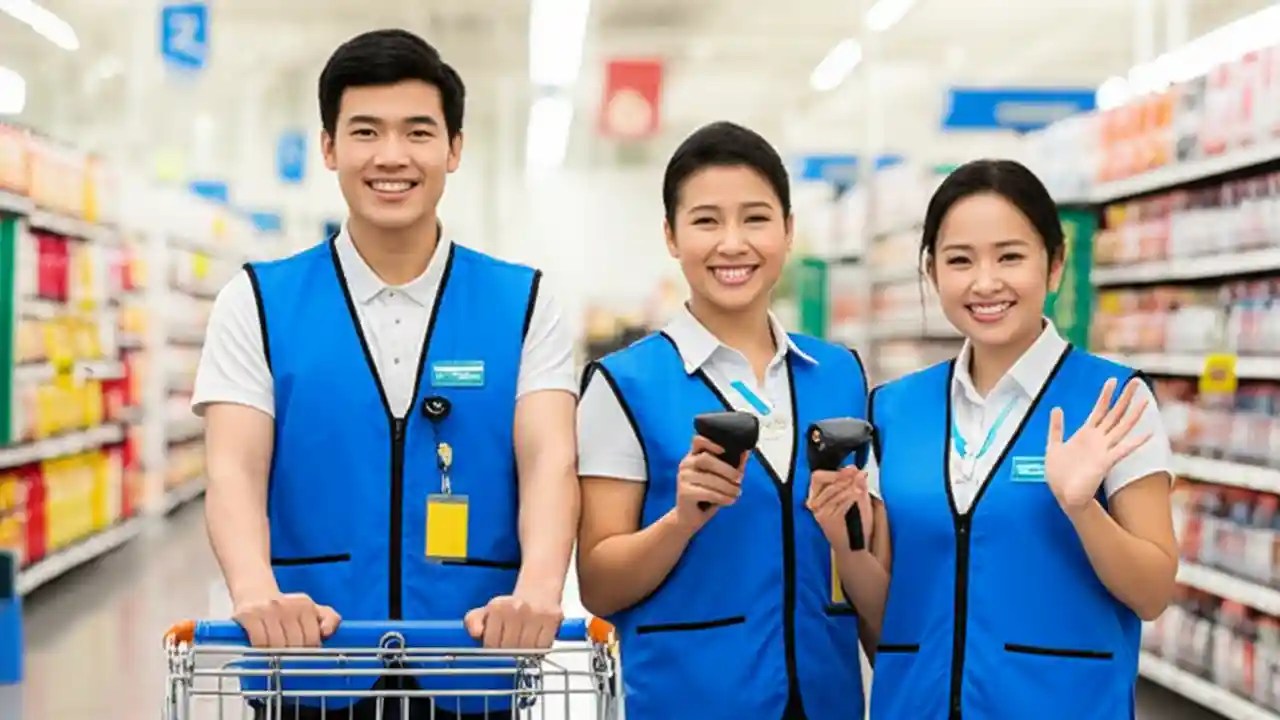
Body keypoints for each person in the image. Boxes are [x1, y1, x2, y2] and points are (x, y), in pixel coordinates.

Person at [191, 29, 580, 719]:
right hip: (308, 657)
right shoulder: (256, 301)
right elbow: (233, 469)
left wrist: (541, 588)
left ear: (454, 150)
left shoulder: (524, 303)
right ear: (329, 148)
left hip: (472, 656)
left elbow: (550, 457)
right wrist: (254, 590)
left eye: (418, 132)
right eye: (365, 131)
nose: (392, 157)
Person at [851, 159, 1178, 720]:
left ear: (1054, 266)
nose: (985, 283)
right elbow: (885, 615)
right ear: (931, 273)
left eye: (1010, 256)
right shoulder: (894, 410)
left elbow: (1151, 592)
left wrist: (1082, 510)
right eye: (959, 260)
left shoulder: (1113, 400)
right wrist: (844, 540)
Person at [575, 120, 875, 720]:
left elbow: (864, 554)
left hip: (827, 695)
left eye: (756, 218)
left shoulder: (840, 374)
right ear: (671, 234)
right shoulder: (624, 386)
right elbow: (599, 584)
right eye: (707, 221)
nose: (732, 244)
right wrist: (681, 521)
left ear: (789, 231)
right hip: (690, 697)